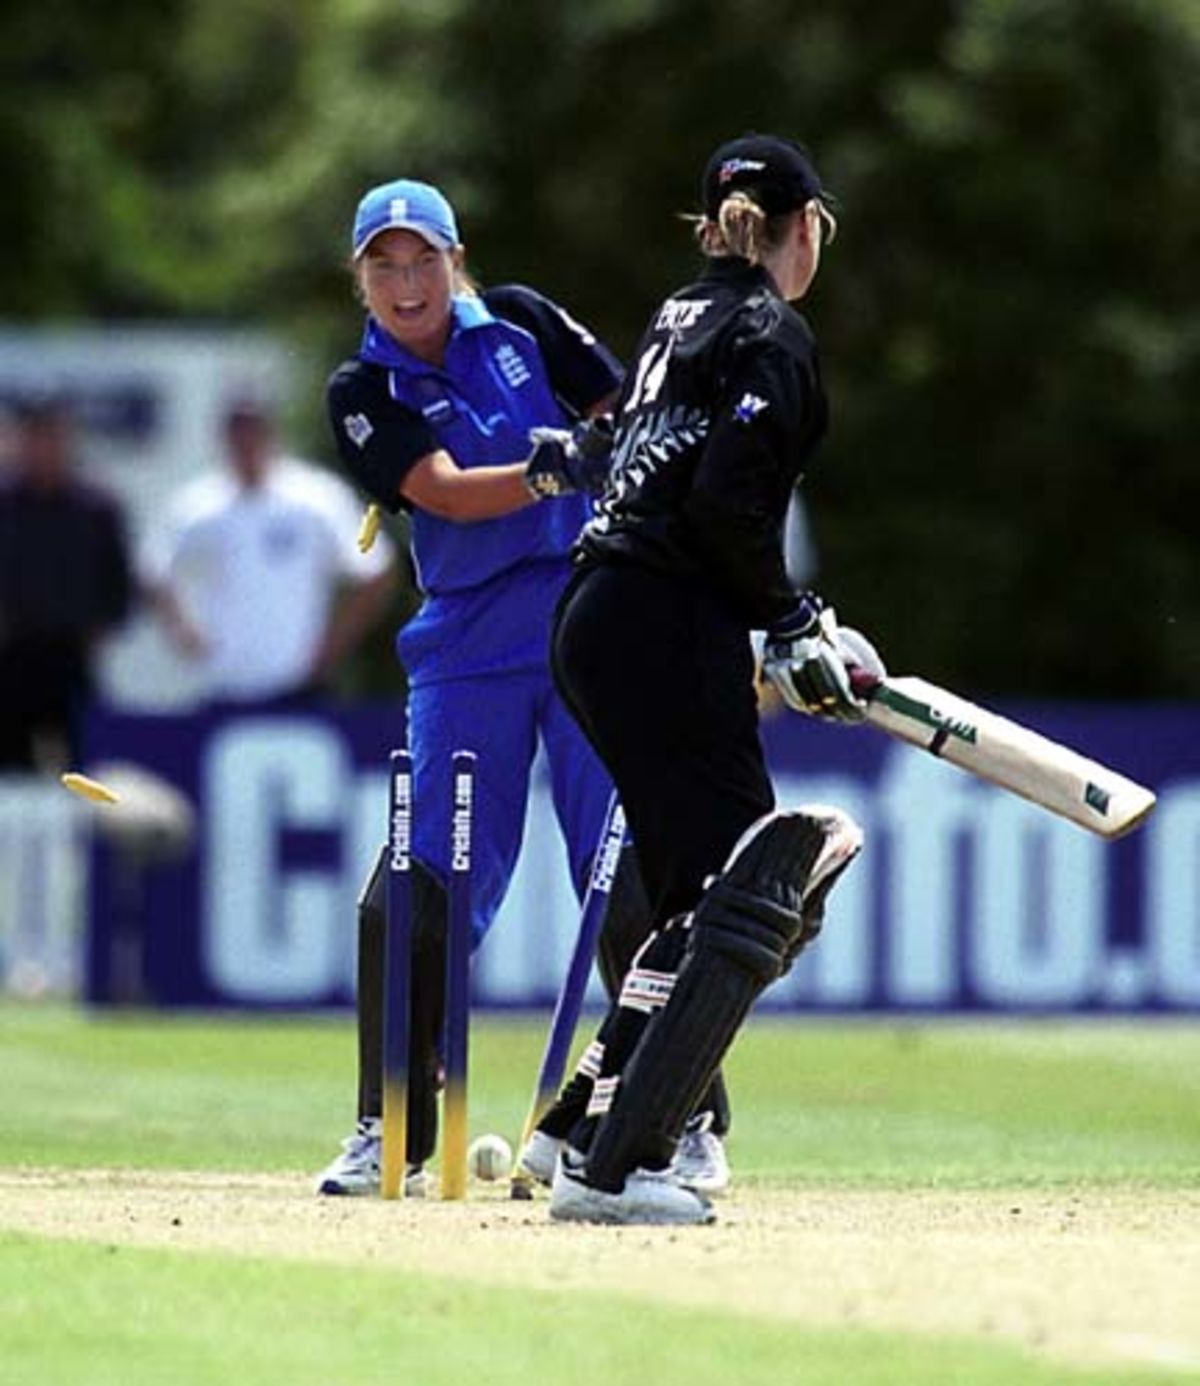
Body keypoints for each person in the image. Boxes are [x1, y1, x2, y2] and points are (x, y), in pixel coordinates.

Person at [312, 177, 732, 1198]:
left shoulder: (522, 322)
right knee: (423, 873)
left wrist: (620, 452)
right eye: (384, 267)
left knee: (629, 866)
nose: (406, 284)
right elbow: (445, 493)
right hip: (468, 640)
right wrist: (555, 470)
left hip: (592, 611)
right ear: (361, 280)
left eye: (423, 260)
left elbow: (624, 404)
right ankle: (392, 1127)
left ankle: (680, 1120)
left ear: (455, 259)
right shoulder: (362, 391)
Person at [531, 134, 870, 1225]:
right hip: (666, 622)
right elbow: (726, 508)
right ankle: (619, 1167)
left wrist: (784, 626)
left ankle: (577, 1123)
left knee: (692, 897)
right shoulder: (772, 331)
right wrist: (794, 621)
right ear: (806, 227)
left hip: (596, 613)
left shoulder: (680, 314)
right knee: (745, 891)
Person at [143, 398, 397, 708]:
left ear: (271, 433)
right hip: (223, 682)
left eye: (253, 429)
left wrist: (331, 647)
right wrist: (183, 629)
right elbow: (154, 567)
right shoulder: (198, 505)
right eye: (238, 430)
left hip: (298, 683)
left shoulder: (317, 498)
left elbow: (374, 568)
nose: (246, 441)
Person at [0, 392, 133, 770]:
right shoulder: (4, 505)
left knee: (85, 768)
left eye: (53, 434)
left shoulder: (96, 507)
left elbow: (118, 585)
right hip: (11, 659)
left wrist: (99, 629)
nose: (44, 446)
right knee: (11, 773)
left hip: (73, 659)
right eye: (35, 434)